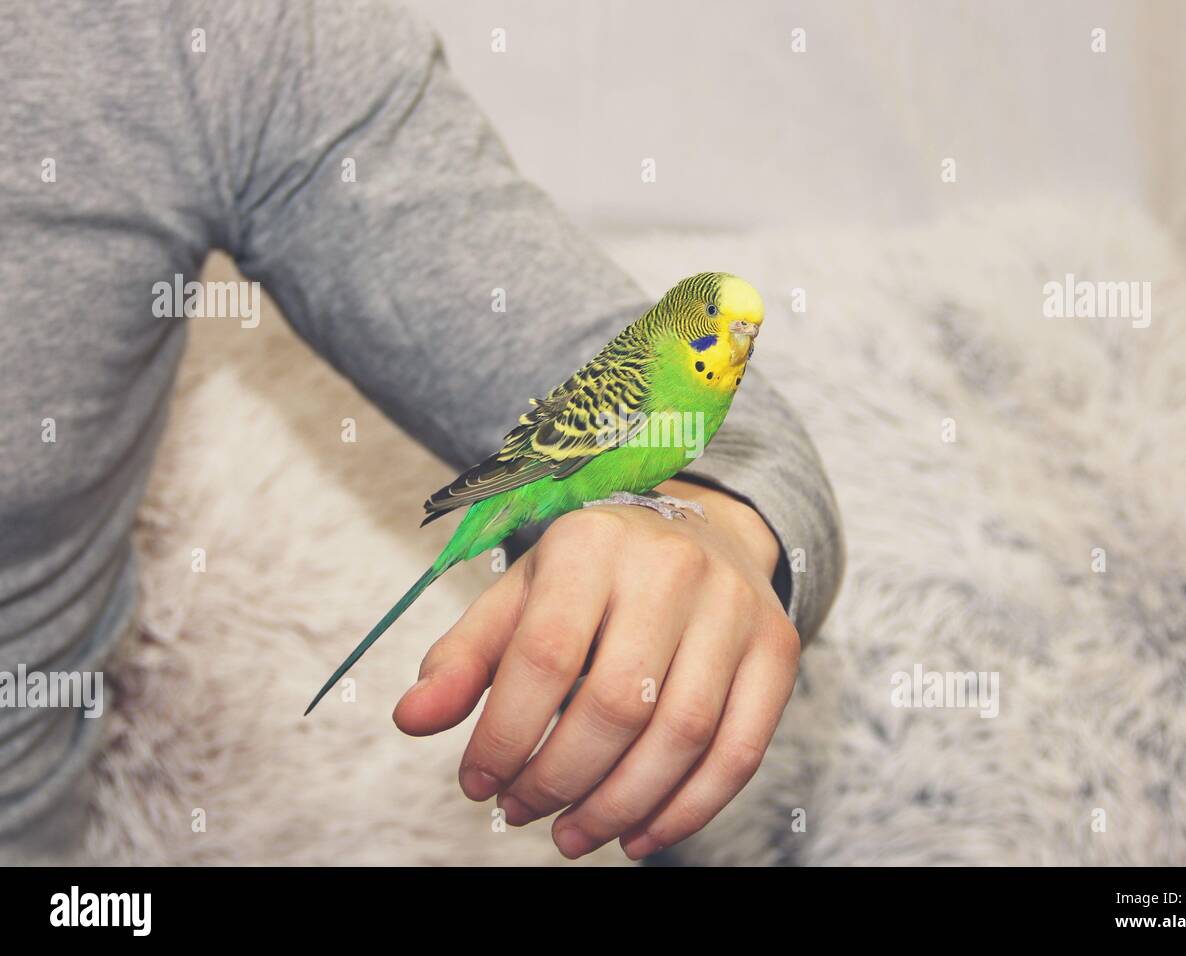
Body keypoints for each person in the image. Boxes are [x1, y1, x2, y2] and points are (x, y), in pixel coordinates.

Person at [0, 0, 843, 862]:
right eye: (720, 325)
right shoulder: (645, 377)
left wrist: (716, 532)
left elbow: (761, 452)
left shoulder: (220, 37)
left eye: (749, 332)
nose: (737, 342)